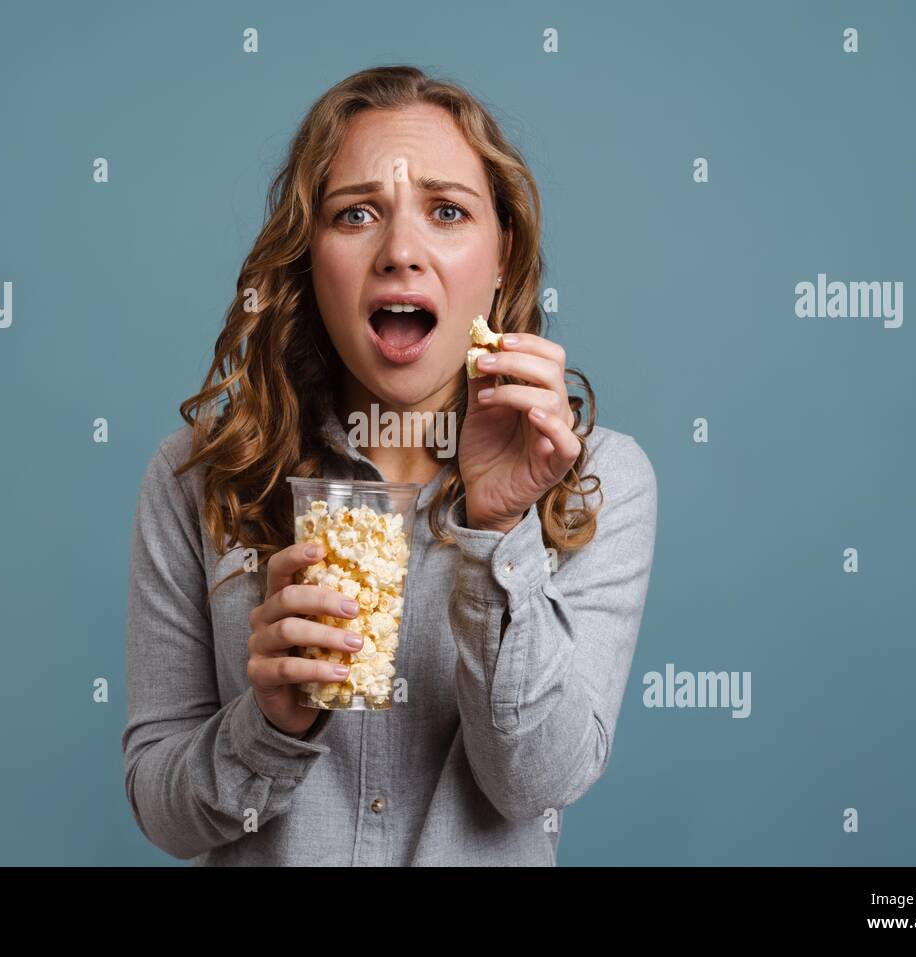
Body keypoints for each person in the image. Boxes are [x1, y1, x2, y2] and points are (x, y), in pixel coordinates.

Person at [122, 65, 658, 865]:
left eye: (446, 211)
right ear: (308, 257)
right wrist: (266, 723)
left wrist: (498, 528)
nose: (401, 251)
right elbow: (164, 812)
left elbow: (534, 784)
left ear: (503, 254)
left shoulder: (595, 480)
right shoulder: (200, 477)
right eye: (356, 214)